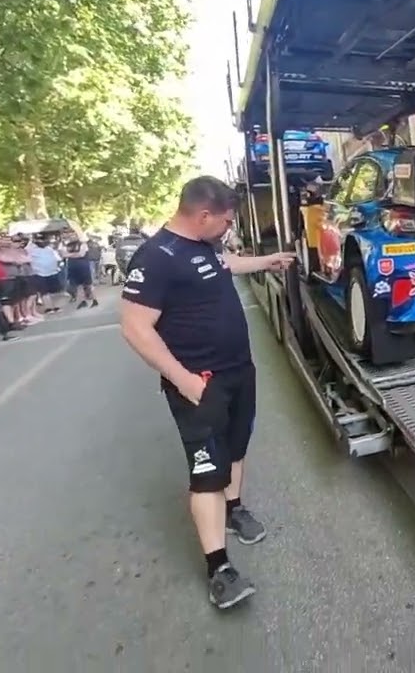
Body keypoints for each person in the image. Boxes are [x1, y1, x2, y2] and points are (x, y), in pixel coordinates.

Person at [120, 176, 297, 610]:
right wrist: (184, 380)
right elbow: (135, 328)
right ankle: (218, 567)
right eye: (226, 220)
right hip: (199, 382)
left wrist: (268, 260)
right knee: (207, 471)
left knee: (237, 446)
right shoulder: (155, 258)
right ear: (203, 216)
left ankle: (234, 507)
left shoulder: (204, 246)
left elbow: (227, 265)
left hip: (239, 371)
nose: (229, 227)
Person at [61, 232, 97, 308]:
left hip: (83, 266)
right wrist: (75, 254)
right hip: (72, 266)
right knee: (77, 285)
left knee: (87, 284)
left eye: (74, 236)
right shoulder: (67, 246)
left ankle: (94, 300)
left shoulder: (83, 244)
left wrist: (70, 255)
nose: (72, 237)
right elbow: (63, 255)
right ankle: (82, 301)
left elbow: (81, 254)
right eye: (70, 236)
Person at [28, 235, 63, 313]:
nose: (42, 242)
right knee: (44, 291)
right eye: (39, 240)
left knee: (52, 291)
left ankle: (54, 306)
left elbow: (58, 258)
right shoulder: (30, 249)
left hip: (52, 272)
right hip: (39, 273)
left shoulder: (49, 249)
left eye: (43, 240)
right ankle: (49, 308)